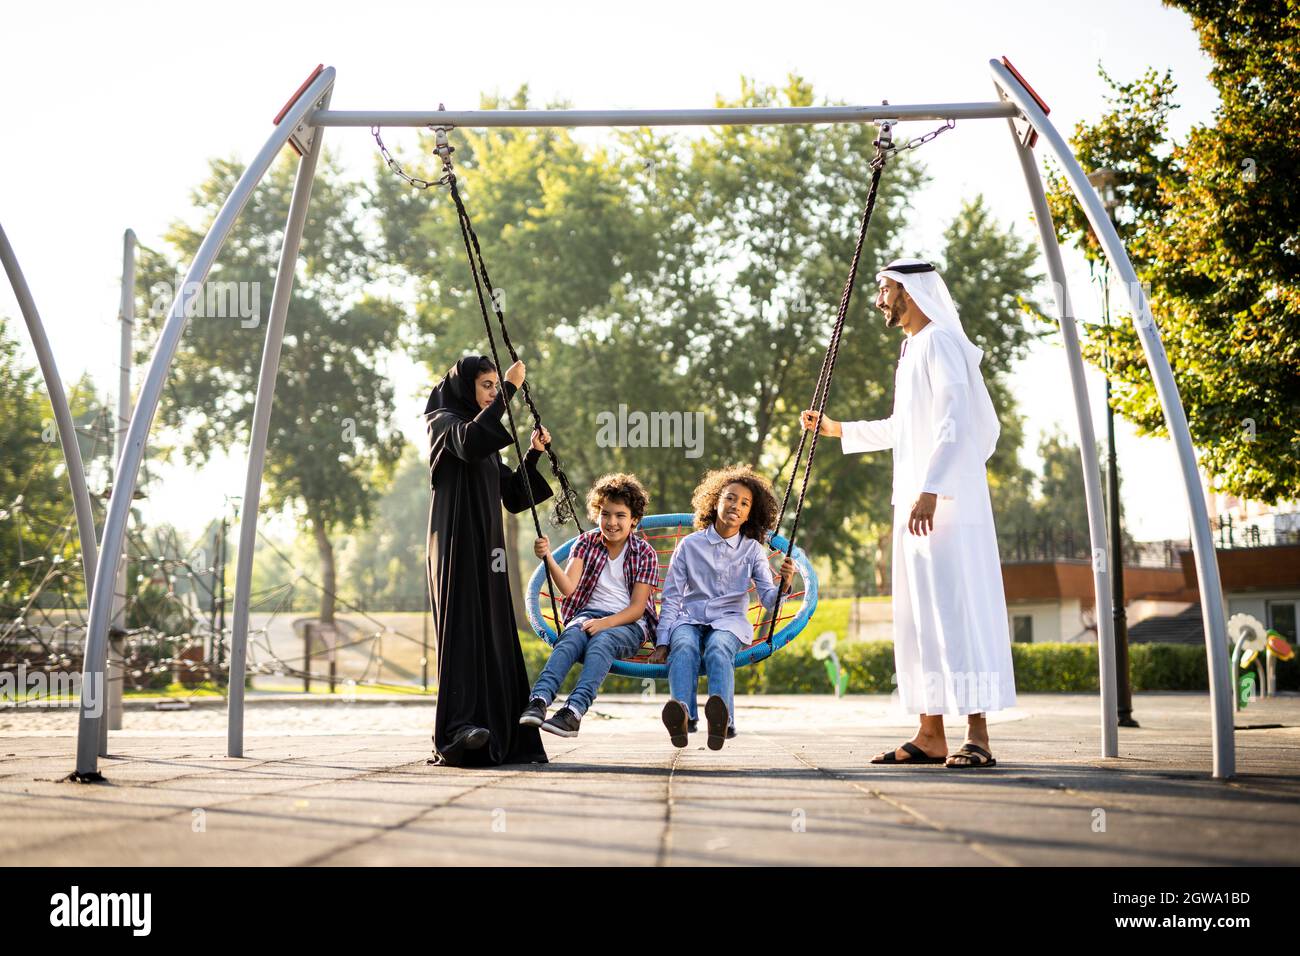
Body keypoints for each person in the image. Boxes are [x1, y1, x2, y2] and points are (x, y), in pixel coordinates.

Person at [801, 257, 1016, 769]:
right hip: (917, 506)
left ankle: (978, 736)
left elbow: (953, 421)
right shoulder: (913, 347)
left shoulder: (940, 340)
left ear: (909, 291)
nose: (878, 301)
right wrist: (838, 430)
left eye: (884, 290)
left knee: (955, 611)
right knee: (921, 619)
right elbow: (905, 427)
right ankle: (930, 734)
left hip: (945, 507)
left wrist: (931, 489)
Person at [424, 354, 554, 767]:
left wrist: (532, 455)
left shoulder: (486, 439)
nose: (494, 393)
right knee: (464, 628)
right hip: (457, 547)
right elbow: (468, 441)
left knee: (496, 631)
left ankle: (507, 733)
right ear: (465, 386)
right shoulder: (444, 423)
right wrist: (512, 390)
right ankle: (460, 729)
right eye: (487, 385)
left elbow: (514, 497)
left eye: (497, 385)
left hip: (491, 554)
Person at [648, 466, 794, 751]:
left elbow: (767, 598)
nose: (735, 506)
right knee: (684, 645)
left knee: (718, 649)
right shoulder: (689, 546)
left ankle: (723, 722)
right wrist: (662, 641)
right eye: (730, 498)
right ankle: (684, 718)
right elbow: (673, 598)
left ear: (750, 514)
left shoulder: (752, 550)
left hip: (729, 621)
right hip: (689, 618)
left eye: (744, 503)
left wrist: (784, 584)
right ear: (715, 501)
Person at [520, 473, 659, 736]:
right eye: (605, 514)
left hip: (629, 624)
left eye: (620, 515)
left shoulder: (644, 553)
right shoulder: (585, 543)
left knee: (602, 641)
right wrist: (548, 558)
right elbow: (569, 587)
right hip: (587, 615)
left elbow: (637, 609)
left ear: (634, 520)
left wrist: (605, 623)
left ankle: (573, 712)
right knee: (570, 637)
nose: (612, 522)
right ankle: (538, 700)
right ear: (597, 514)